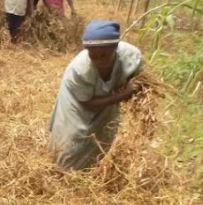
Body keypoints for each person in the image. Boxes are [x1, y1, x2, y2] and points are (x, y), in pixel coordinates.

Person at [48, 20, 143, 170]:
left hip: (107, 100)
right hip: (76, 101)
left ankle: (88, 169)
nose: (100, 61)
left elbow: (137, 77)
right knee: (71, 140)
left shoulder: (131, 57)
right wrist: (124, 94)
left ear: (115, 48)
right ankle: (64, 172)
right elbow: (86, 102)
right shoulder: (80, 70)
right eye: (94, 57)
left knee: (100, 136)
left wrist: (131, 89)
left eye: (104, 55)